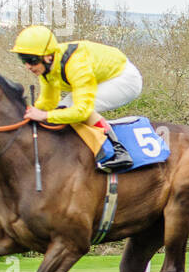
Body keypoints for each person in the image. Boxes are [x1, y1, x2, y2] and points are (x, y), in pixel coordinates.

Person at [11, 25, 143, 172]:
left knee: (70, 108)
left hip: (124, 79)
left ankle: (119, 152)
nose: (28, 66)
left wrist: (44, 115)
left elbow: (82, 111)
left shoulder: (76, 65)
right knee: (61, 108)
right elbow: (48, 102)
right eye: (23, 60)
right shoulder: (47, 69)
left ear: (48, 56)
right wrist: (27, 113)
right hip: (102, 77)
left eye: (32, 60)